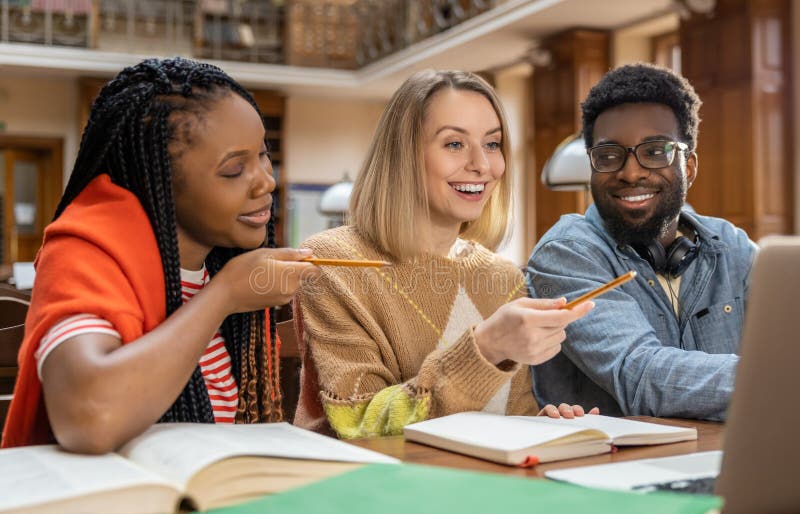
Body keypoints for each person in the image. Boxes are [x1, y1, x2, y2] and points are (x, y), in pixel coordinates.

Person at [1, 57, 319, 452]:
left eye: (262, 155)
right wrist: (223, 296)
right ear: (158, 181)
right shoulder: (85, 247)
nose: (266, 181)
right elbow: (88, 417)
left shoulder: (218, 257)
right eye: (234, 169)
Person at [293, 70, 596, 439]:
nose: (482, 165)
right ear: (403, 155)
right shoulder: (332, 262)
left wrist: (536, 424)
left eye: (492, 144)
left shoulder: (503, 278)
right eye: (454, 144)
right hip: (373, 484)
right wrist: (485, 347)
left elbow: (508, 414)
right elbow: (360, 426)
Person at [527, 63, 757, 421]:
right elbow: (640, 376)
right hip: (607, 471)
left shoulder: (732, 246)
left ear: (690, 167)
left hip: (733, 461)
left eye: (654, 151)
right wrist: (772, 379)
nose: (630, 172)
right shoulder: (566, 253)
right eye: (608, 156)